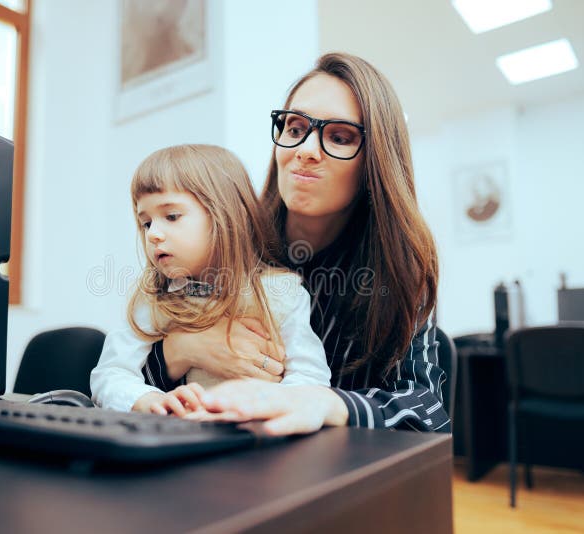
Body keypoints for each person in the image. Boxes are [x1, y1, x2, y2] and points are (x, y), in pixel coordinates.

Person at [141, 52, 448, 435]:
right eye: (295, 128)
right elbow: (126, 378)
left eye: (339, 137)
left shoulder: (400, 267)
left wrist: (322, 402)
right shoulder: (224, 242)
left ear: (375, 161)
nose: (305, 150)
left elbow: (429, 411)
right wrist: (182, 351)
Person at [90, 144, 331, 414]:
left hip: (256, 434)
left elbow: (311, 378)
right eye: (146, 223)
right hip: (182, 434)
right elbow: (110, 374)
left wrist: (269, 406)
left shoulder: (282, 293)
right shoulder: (153, 299)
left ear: (225, 216)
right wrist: (146, 399)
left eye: (171, 216)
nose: (153, 234)